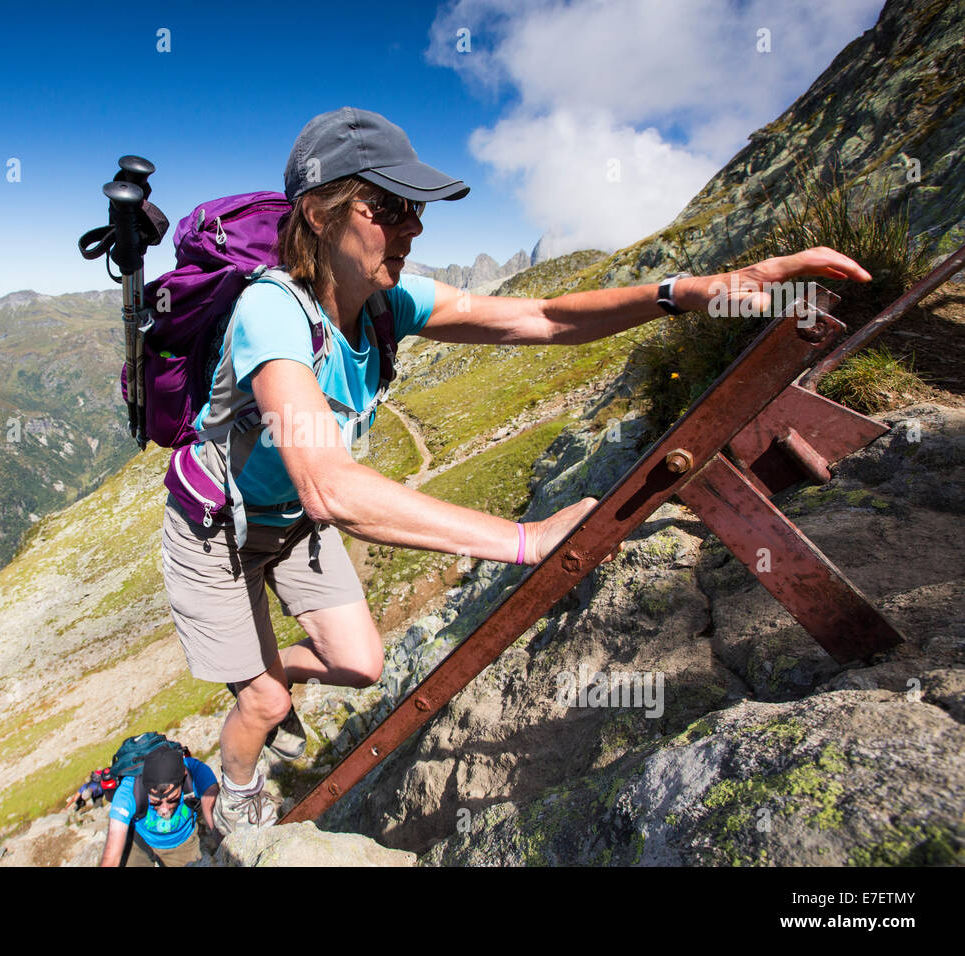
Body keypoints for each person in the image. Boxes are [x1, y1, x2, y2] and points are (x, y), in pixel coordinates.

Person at [159, 106, 872, 835]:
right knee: (266, 704)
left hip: (291, 526)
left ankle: (269, 668)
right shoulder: (271, 313)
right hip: (216, 532)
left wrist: (684, 292)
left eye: (417, 209)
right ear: (317, 211)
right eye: (392, 208)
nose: (415, 227)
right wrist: (526, 541)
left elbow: (546, 317)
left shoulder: (387, 302)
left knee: (364, 664)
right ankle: (234, 802)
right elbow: (328, 484)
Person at [98, 743, 219, 867]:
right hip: (140, 841)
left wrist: (221, 838)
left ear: (182, 779)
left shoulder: (195, 772)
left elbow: (211, 802)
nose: (164, 810)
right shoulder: (128, 790)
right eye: (156, 802)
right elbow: (112, 854)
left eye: (172, 799)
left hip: (182, 844)